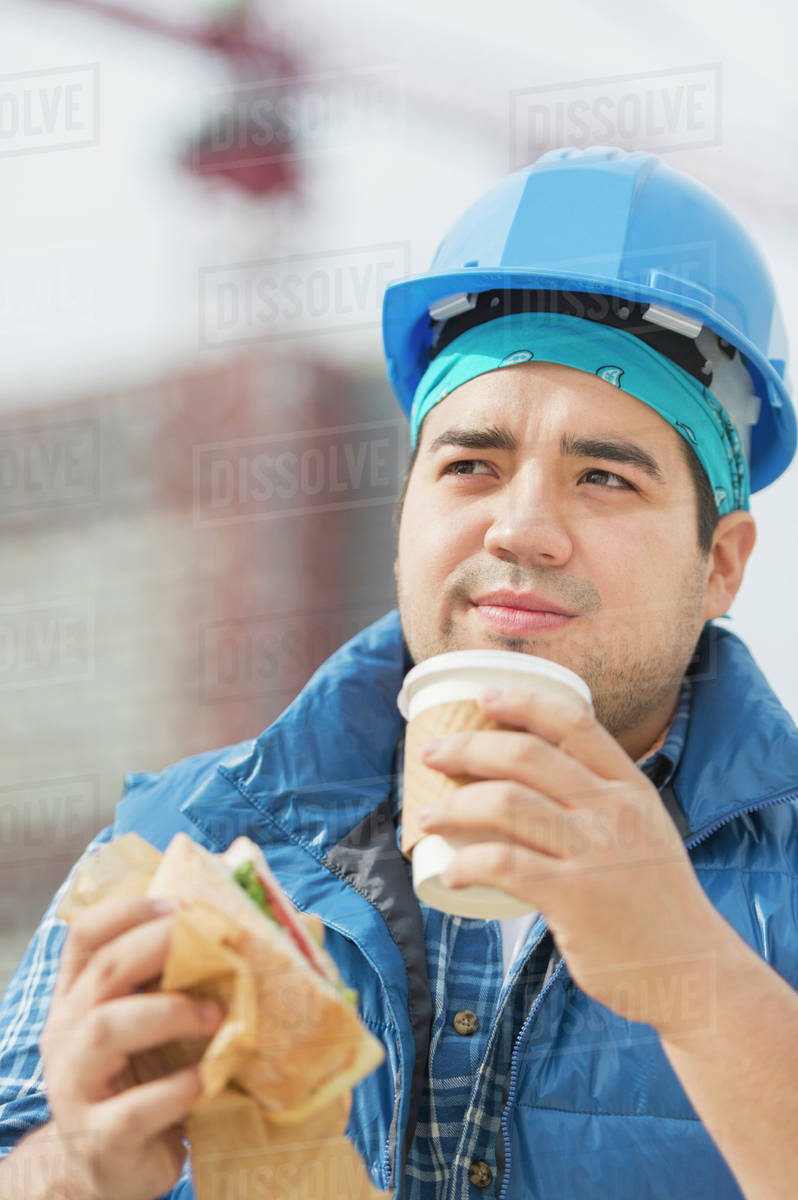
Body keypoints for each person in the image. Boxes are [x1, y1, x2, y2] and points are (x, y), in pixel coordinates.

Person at [0, 146, 797, 1200]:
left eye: (604, 477)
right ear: (404, 515)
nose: (521, 528)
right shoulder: (183, 841)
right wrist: (83, 1167)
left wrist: (692, 974)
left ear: (721, 565)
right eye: (471, 464)